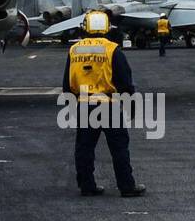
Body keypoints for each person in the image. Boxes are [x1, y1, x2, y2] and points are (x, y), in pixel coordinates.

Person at [62, 10, 145, 198]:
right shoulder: (112, 49)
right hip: (109, 104)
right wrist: (130, 105)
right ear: (107, 27)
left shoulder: (74, 50)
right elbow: (125, 81)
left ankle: (87, 185)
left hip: (84, 103)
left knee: (84, 147)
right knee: (119, 147)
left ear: (85, 27)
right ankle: (127, 186)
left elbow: (67, 83)